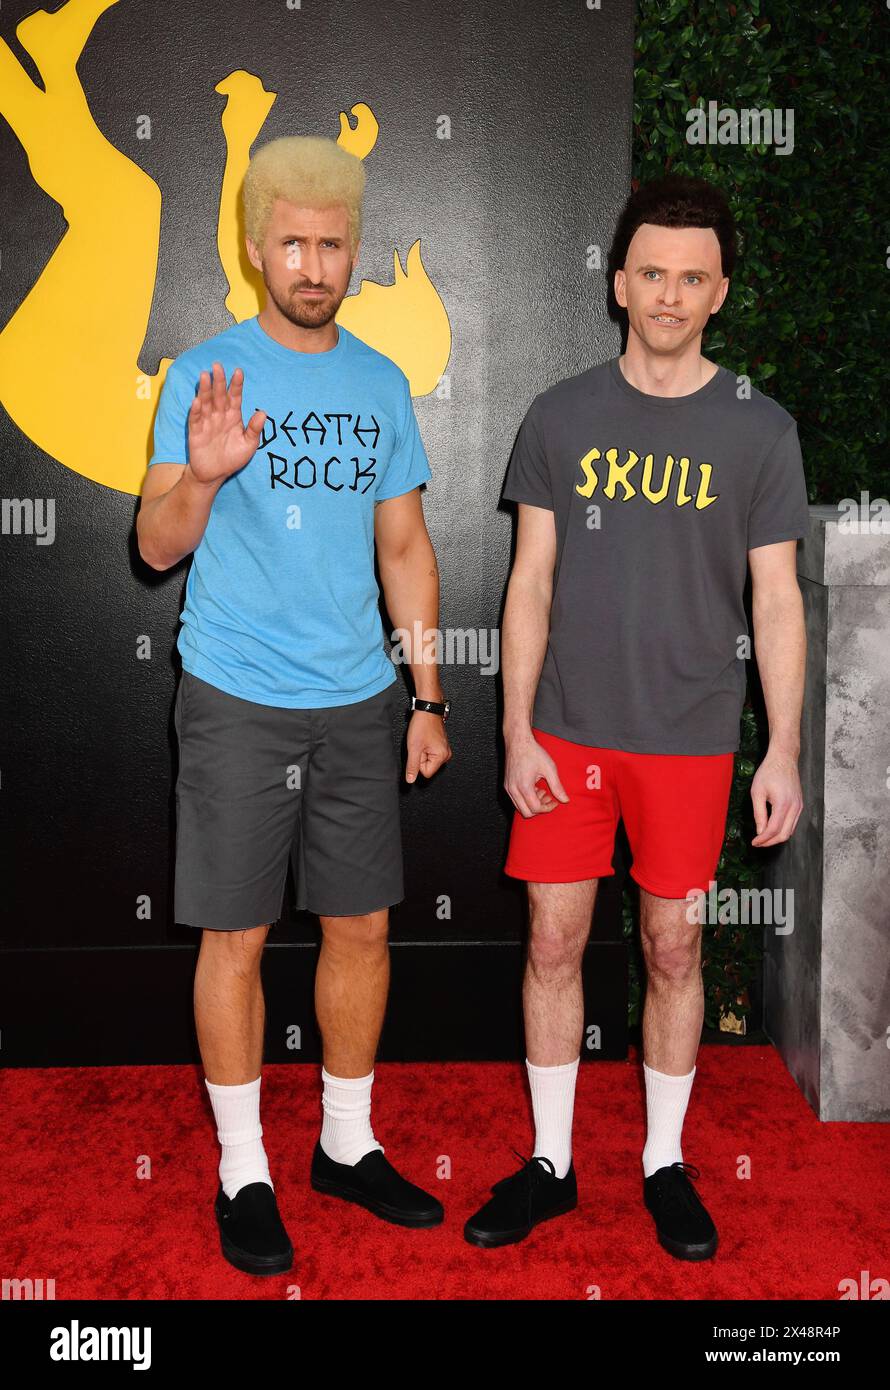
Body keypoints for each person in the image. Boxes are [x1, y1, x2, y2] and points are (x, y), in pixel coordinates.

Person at [465, 174, 809, 1259]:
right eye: (650, 273)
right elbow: (526, 583)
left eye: (690, 278)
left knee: (671, 947)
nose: (667, 293)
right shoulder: (558, 415)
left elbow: (775, 597)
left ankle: (664, 1161)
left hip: (692, 735)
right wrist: (514, 729)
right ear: (618, 284)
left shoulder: (760, 429)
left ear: (717, 295)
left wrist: (782, 749)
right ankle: (550, 1164)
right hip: (566, 728)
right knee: (555, 939)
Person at [137, 135, 452, 1276]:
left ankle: (345, 1143)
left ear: (352, 251)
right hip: (235, 695)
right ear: (254, 244)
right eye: (292, 242)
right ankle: (241, 1166)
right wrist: (207, 473)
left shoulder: (377, 381)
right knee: (236, 934)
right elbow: (153, 543)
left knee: (361, 924)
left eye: (331, 244)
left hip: (360, 699)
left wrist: (425, 693)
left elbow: (405, 547)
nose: (312, 263)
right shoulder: (204, 375)